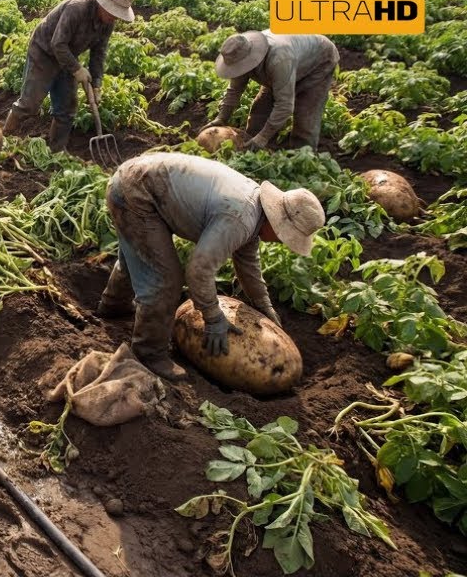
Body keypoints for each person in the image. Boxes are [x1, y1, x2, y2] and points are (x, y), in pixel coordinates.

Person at [95, 153, 325, 381]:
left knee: (139, 258)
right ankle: (149, 353)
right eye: (285, 237)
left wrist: (264, 305)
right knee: (166, 280)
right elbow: (198, 271)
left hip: (135, 179)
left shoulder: (254, 212)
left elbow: (248, 266)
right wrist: (213, 318)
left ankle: (113, 306)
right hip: (136, 194)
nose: (282, 242)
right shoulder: (239, 218)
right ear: (277, 224)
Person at [1, 0, 136, 151]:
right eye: (113, 13)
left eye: (117, 15)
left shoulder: (107, 23)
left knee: (67, 110)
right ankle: (5, 138)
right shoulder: (77, 9)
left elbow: (98, 54)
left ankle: (56, 150)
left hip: (69, 57)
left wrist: (97, 85)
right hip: (44, 53)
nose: (114, 18)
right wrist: (77, 69)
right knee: (29, 104)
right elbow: (58, 44)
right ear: (103, 4)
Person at [204, 31, 340, 151]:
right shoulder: (240, 57)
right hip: (289, 62)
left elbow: (284, 105)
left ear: (251, 60)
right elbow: (234, 91)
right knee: (260, 109)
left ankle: (303, 156)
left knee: (305, 113)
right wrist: (221, 118)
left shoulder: (278, 60)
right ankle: (251, 146)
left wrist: (263, 137)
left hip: (319, 61)